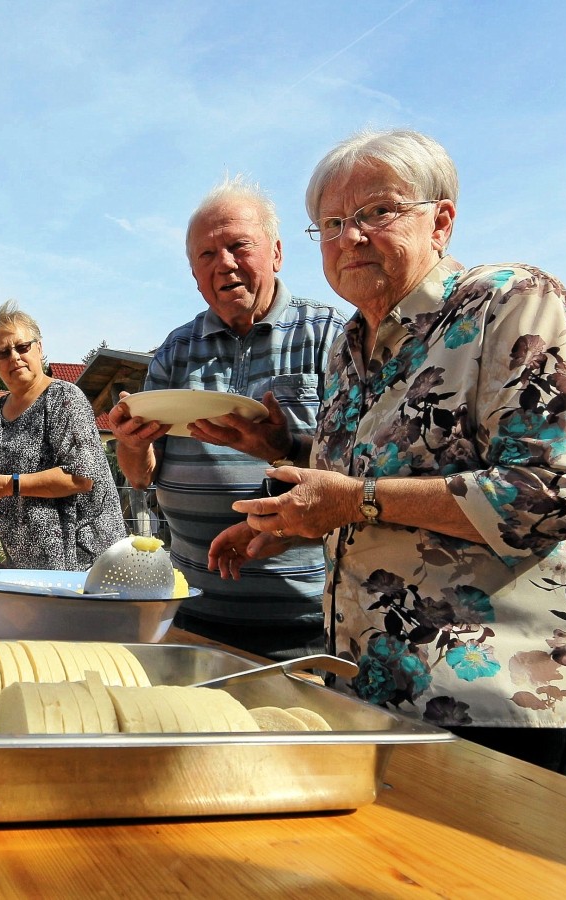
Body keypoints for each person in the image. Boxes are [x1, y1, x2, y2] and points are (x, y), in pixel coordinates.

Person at [228, 129, 566, 791]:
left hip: (520, 706)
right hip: (381, 695)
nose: (349, 236)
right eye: (331, 222)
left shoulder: (508, 301)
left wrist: (351, 500)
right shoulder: (348, 348)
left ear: (441, 220)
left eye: (377, 212)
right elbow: (365, 491)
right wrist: (278, 525)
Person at [107, 177, 346, 661]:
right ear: (194, 274)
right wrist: (129, 444)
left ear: (277, 253)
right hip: (191, 606)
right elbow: (143, 476)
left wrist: (282, 445)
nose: (225, 265)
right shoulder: (176, 350)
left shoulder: (331, 336)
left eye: (239, 245)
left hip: (301, 620)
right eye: (206, 255)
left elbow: (354, 471)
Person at [0, 301, 126, 569]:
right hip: (27, 565)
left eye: (22, 347)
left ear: (40, 348)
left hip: (84, 566)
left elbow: (81, 477)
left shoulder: (65, 398)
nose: (14, 357)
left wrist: (7, 485)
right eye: (2, 352)